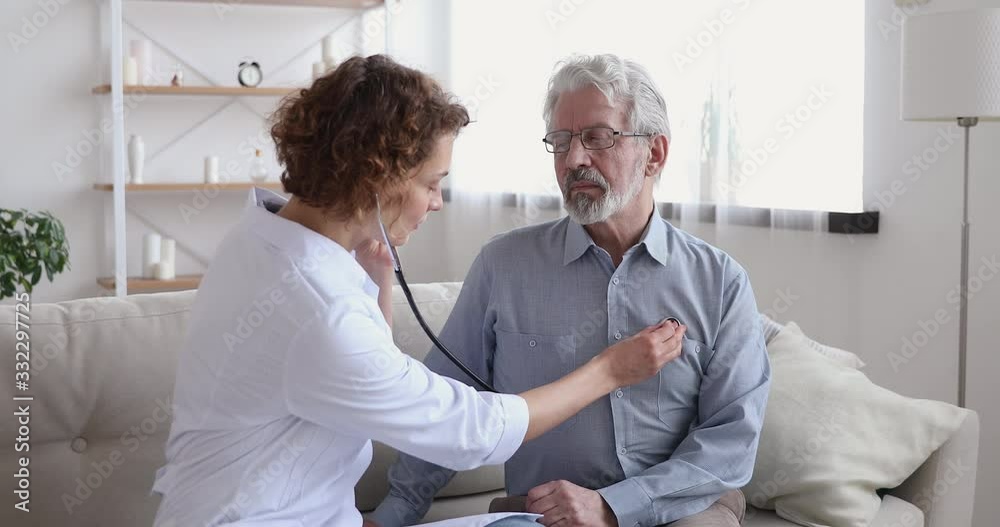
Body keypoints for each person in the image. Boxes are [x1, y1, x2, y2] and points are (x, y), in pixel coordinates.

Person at [149, 54, 685, 527]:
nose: (437, 203)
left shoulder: (259, 238)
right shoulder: (318, 309)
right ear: (377, 177)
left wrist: (377, 281)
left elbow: (356, 376)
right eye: (432, 183)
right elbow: (472, 431)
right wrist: (611, 370)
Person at [373, 54, 771, 527]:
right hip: (544, 511)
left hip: (682, 507)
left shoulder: (720, 282)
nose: (574, 159)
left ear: (655, 154)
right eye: (561, 141)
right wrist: (393, 515)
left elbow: (731, 442)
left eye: (597, 138)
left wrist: (612, 506)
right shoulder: (504, 267)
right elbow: (444, 405)